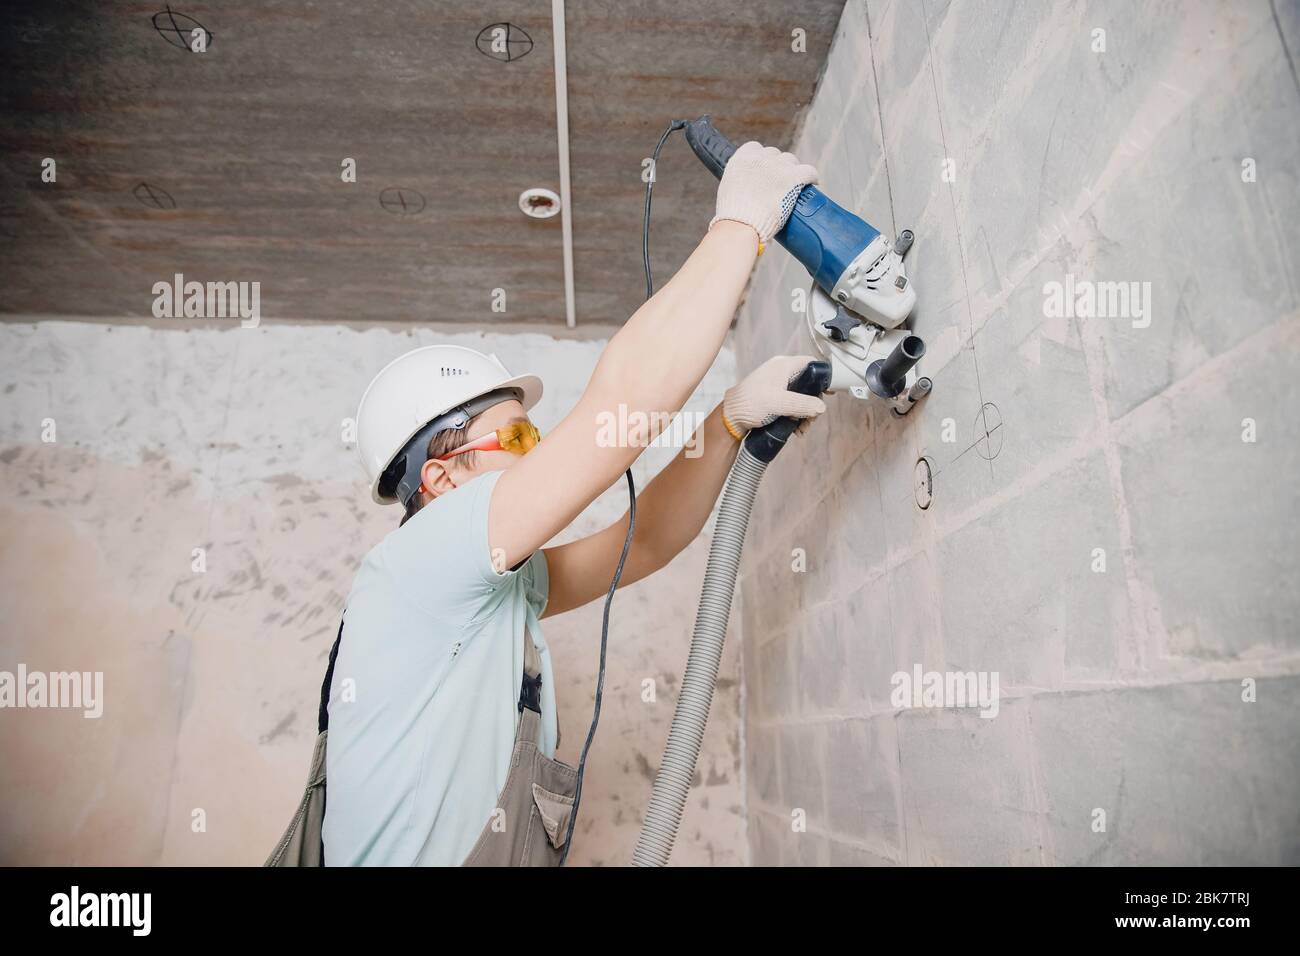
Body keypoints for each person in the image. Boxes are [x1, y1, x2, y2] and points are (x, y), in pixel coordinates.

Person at [324, 142, 826, 865]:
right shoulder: (416, 566)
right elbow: (616, 411)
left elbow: (641, 543)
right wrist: (740, 226)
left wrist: (724, 426)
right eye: (518, 433)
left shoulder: (493, 592)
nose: (538, 448)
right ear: (440, 479)